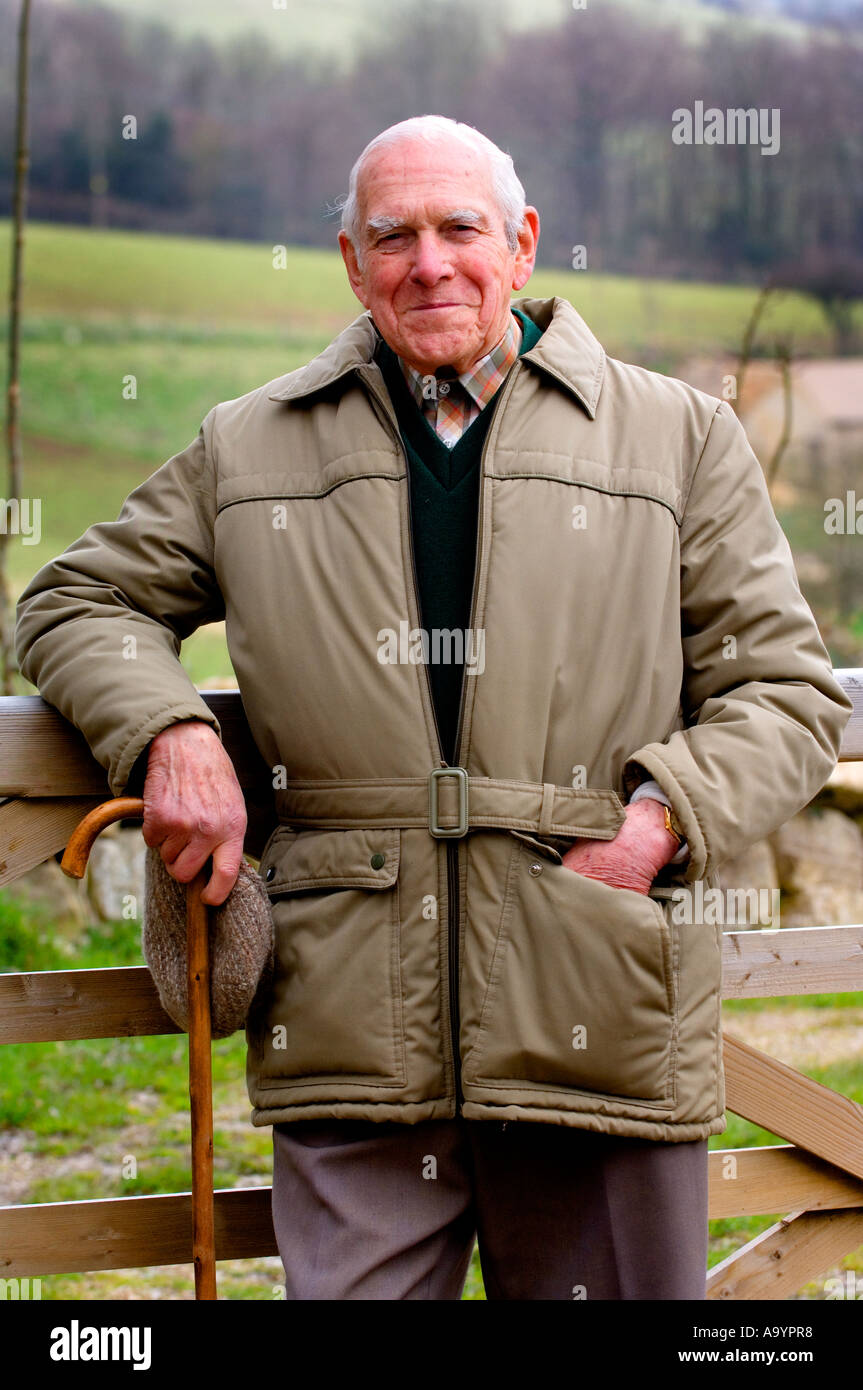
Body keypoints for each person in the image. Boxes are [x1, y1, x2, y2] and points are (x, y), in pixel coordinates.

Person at [16, 115, 851, 1301]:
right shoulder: (250, 444)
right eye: (391, 235)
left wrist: (654, 826)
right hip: (352, 1025)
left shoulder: (677, 437)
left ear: (519, 244)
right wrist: (171, 731)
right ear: (352, 264)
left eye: (460, 227)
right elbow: (73, 599)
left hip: (594, 1007)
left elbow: (784, 690)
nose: (429, 262)